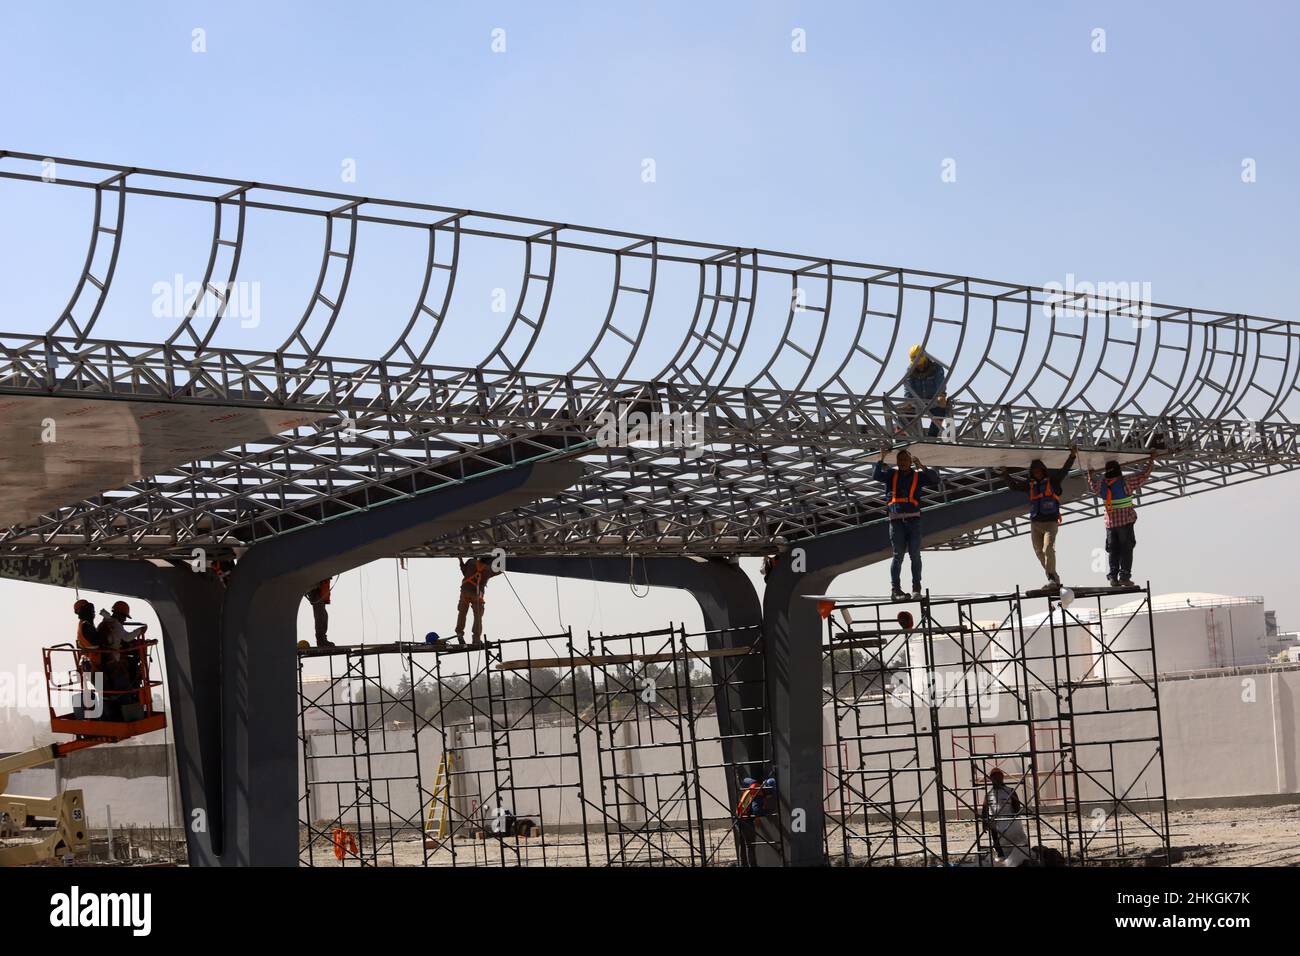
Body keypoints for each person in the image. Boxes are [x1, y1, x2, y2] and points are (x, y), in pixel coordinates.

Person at [1000, 445, 1078, 592]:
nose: (1037, 473)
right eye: (1034, 472)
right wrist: (1005, 474)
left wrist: (1072, 456)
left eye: (1039, 471)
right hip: (1035, 524)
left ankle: (1052, 578)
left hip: (1050, 523)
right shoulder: (1030, 485)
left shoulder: (1053, 482)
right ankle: (1052, 577)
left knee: (1048, 549)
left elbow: (1064, 471)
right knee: (1038, 551)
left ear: (1043, 471)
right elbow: (1014, 487)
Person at [873, 446, 940, 601]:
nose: (902, 462)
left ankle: (916, 589)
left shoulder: (918, 476)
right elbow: (876, 475)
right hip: (896, 521)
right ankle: (896, 590)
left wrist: (921, 466)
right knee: (898, 556)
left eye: (905, 460)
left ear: (910, 462)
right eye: (900, 460)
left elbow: (935, 479)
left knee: (915, 555)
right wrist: (881, 458)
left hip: (913, 520)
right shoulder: (891, 474)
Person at [1086, 451, 1156, 587]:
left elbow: (1092, 484)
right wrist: (1151, 460)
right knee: (1126, 549)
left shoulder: (1102, 485)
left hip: (1110, 525)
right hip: (1125, 522)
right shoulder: (1126, 483)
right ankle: (1124, 576)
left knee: (1113, 550)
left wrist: (1090, 473)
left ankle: (1113, 577)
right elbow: (1143, 475)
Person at [96, 600, 148, 721]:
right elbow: (127, 637)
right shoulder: (115, 624)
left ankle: (112, 714)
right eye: (124, 617)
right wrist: (140, 631)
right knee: (126, 688)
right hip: (113, 661)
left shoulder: (103, 623)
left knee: (109, 692)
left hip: (102, 661)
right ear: (119, 614)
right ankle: (128, 714)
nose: (125, 620)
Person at [980, 767, 1029, 863]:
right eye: (994, 777)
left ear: (1002, 778)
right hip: (995, 824)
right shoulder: (989, 794)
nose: (997, 779)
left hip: (1009, 823)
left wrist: (1014, 818)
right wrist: (984, 823)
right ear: (991, 779)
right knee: (998, 844)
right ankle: (1002, 857)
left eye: (999, 777)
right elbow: (984, 810)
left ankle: (1016, 859)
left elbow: (1017, 807)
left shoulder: (1010, 791)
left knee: (1014, 844)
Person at [902, 345, 949, 438]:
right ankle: (900, 438)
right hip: (917, 402)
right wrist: (908, 402)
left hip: (933, 401)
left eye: (920, 363)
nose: (919, 366)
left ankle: (931, 437)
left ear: (925, 358)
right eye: (917, 364)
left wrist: (941, 395)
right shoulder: (910, 370)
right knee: (904, 415)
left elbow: (940, 384)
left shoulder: (936, 368)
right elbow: (908, 387)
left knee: (940, 412)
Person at [454, 556, 498, 643]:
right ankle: (476, 639)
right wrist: (500, 557)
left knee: (462, 613)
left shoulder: (471, 562)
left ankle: (459, 633)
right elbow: (500, 570)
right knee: (478, 617)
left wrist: (460, 560)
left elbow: (464, 571)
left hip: (465, 590)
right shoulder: (489, 569)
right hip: (477, 595)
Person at [304, 579, 334, 648]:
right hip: (314, 590)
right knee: (320, 616)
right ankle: (321, 640)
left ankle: (322, 639)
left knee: (323, 615)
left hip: (318, 589)